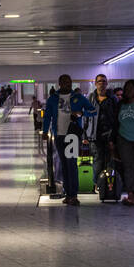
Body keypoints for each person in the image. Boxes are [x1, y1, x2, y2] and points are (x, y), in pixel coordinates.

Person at [41, 74, 94, 206]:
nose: (67, 84)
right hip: (58, 135)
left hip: (73, 135)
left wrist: (82, 113)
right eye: (64, 82)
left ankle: (73, 195)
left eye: (69, 81)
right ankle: (67, 192)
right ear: (59, 83)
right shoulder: (53, 98)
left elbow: (92, 111)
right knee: (63, 165)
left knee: (72, 164)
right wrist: (45, 130)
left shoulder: (78, 97)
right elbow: (47, 116)